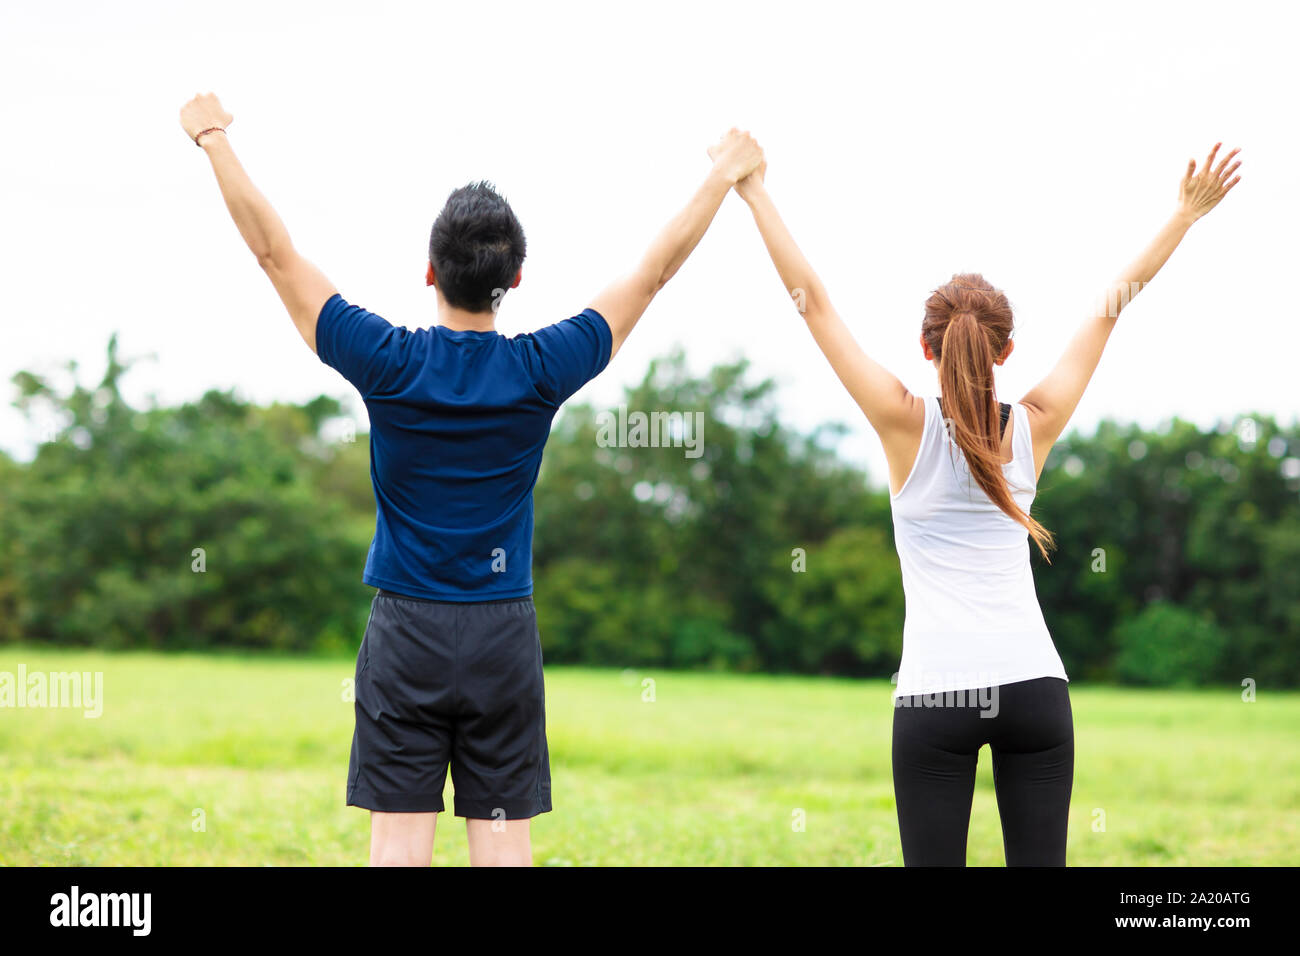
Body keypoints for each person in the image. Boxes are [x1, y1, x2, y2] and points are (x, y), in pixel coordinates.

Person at [180, 91, 763, 866]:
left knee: (396, 844)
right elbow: (651, 275)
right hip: (501, 633)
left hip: (405, 634)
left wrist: (214, 138)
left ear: (429, 271)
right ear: (517, 278)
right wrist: (724, 173)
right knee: (501, 845)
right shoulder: (540, 368)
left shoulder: (386, 361)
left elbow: (275, 255)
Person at [732, 142, 1240, 865]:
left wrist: (754, 193)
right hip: (1035, 684)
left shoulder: (901, 420)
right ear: (1004, 352)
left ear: (925, 347)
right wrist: (1184, 216)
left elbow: (814, 307)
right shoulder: (1036, 424)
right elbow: (1110, 308)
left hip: (935, 695)